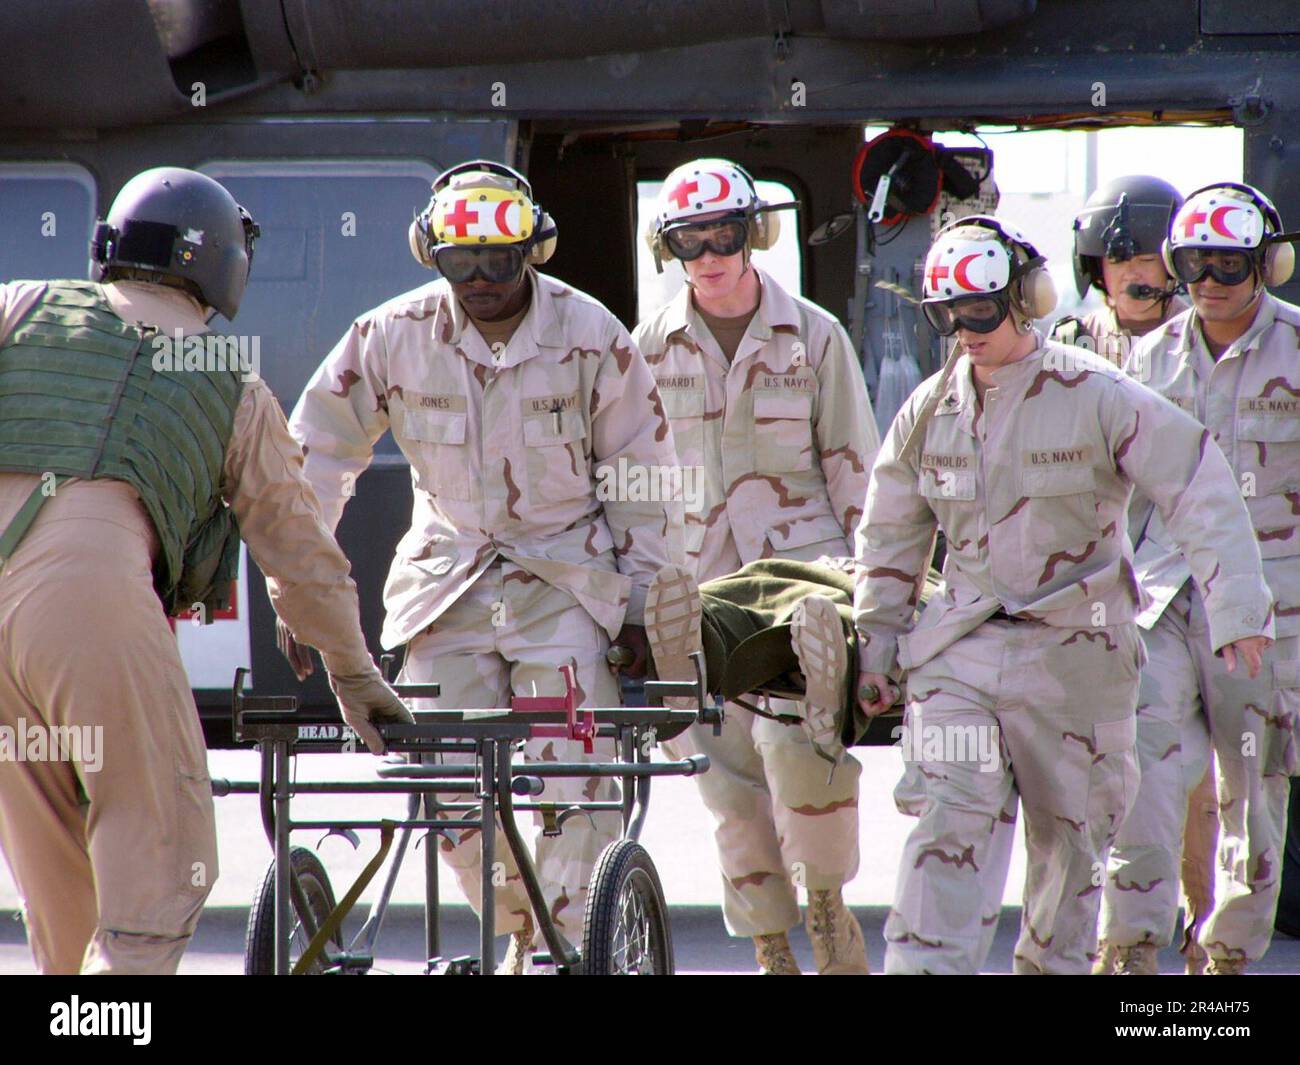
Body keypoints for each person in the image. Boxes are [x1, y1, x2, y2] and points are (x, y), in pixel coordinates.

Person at [0, 167, 409, 974]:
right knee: (162, 846)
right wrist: (357, 679)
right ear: (220, 264)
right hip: (89, 598)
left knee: (54, 867)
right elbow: (301, 558)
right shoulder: (230, 378)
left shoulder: (20, 305)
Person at [279, 160, 683, 972]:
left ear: (533, 249)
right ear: (432, 254)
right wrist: (299, 601)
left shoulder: (591, 334)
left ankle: (565, 948)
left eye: (500, 258)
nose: (482, 279)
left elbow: (644, 473)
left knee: (574, 777)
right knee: (448, 792)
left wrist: (643, 603)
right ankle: (523, 927)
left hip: (564, 581)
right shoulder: (388, 336)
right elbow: (313, 460)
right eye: (461, 260)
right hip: (445, 582)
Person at [852, 214, 1273, 974]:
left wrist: (1237, 609)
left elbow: (1198, 485)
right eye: (944, 315)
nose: (964, 329)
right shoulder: (927, 411)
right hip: (961, 650)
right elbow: (889, 538)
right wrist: (876, 649)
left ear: (1023, 297)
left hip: (1078, 657)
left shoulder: (1097, 393)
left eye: (978, 309)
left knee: (1069, 855)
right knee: (948, 820)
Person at [634, 158, 878, 974]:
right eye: (688, 240)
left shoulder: (814, 336)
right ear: (667, 247)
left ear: (756, 234)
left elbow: (860, 477)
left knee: (799, 749)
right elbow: (628, 484)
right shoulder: (644, 350)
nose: (708, 255)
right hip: (700, 592)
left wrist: (877, 598)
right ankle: (771, 943)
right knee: (724, 775)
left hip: (802, 586)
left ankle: (825, 905)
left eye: (725, 235)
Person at [1097, 182, 1300, 975]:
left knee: (1254, 789)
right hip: (1165, 604)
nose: (1211, 279)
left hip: (1268, 613)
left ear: (1267, 264)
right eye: (1194, 264)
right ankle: (1133, 947)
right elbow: (1115, 493)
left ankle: (1224, 962)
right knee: (1140, 769)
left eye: (1229, 262)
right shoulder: (1145, 362)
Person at [1051, 175, 1187, 365]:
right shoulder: (1075, 342)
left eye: (1146, 260)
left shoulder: (1202, 335)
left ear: (1170, 264)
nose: (1131, 273)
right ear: (1098, 269)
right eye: (1116, 261)